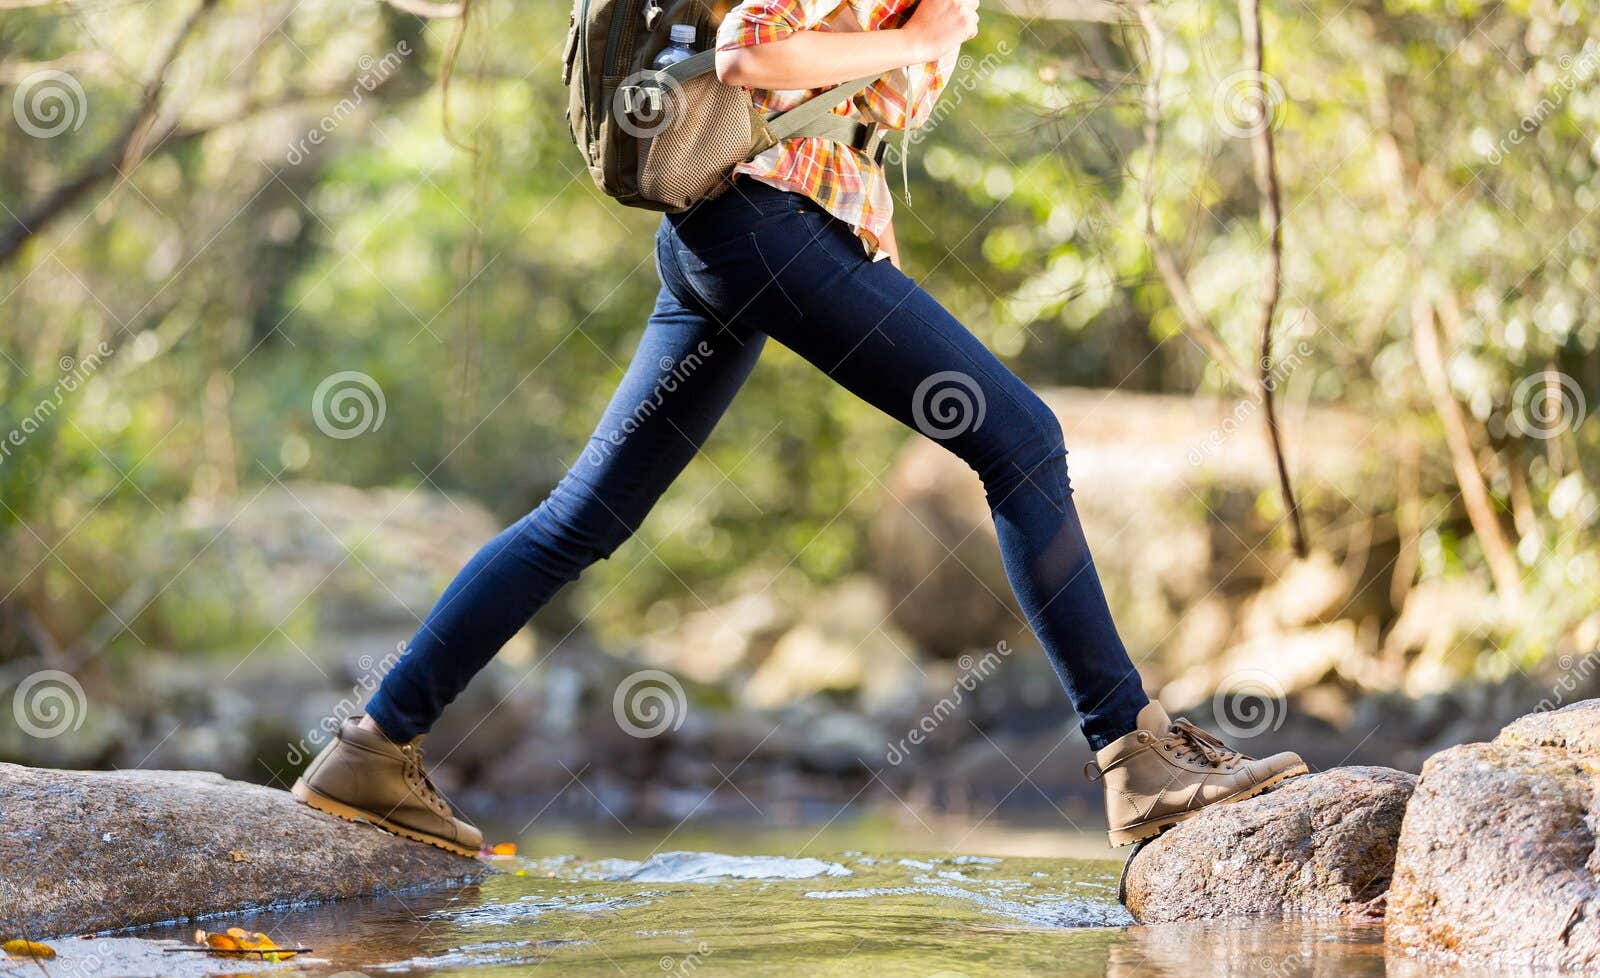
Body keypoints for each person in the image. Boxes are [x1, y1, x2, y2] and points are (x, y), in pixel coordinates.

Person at [291, 0, 1308, 857]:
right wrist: (915, 41)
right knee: (1024, 439)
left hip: (727, 229)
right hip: (769, 220)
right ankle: (1135, 756)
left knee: (580, 518)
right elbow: (748, 52)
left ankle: (371, 750)